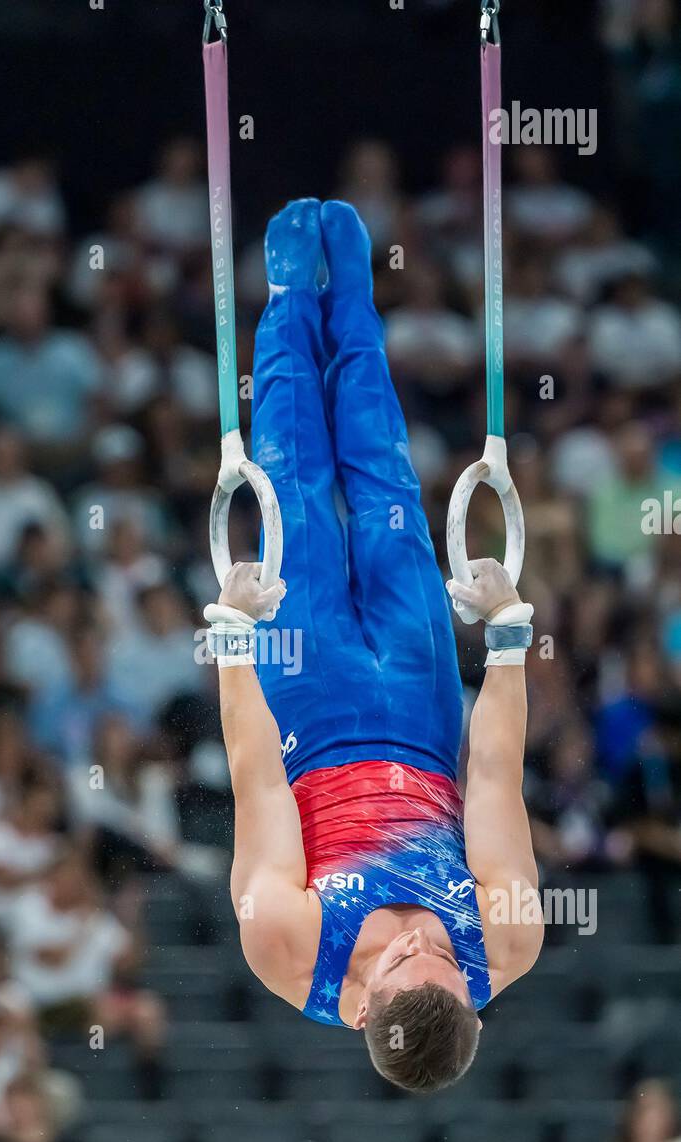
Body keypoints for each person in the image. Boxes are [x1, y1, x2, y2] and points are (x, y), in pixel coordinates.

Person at [205, 201, 544, 1094]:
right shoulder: (504, 936)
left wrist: (233, 641)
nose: (425, 938)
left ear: (362, 1003)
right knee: (390, 492)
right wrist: (508, 637)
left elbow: (258, 780)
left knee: (297, 496)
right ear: (472, 995)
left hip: (309, 716)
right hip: (423, 714)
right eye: (443, 954)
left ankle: (285, 299)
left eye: (405, 957)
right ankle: (352, 296)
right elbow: (497, 777)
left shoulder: (289, 950)